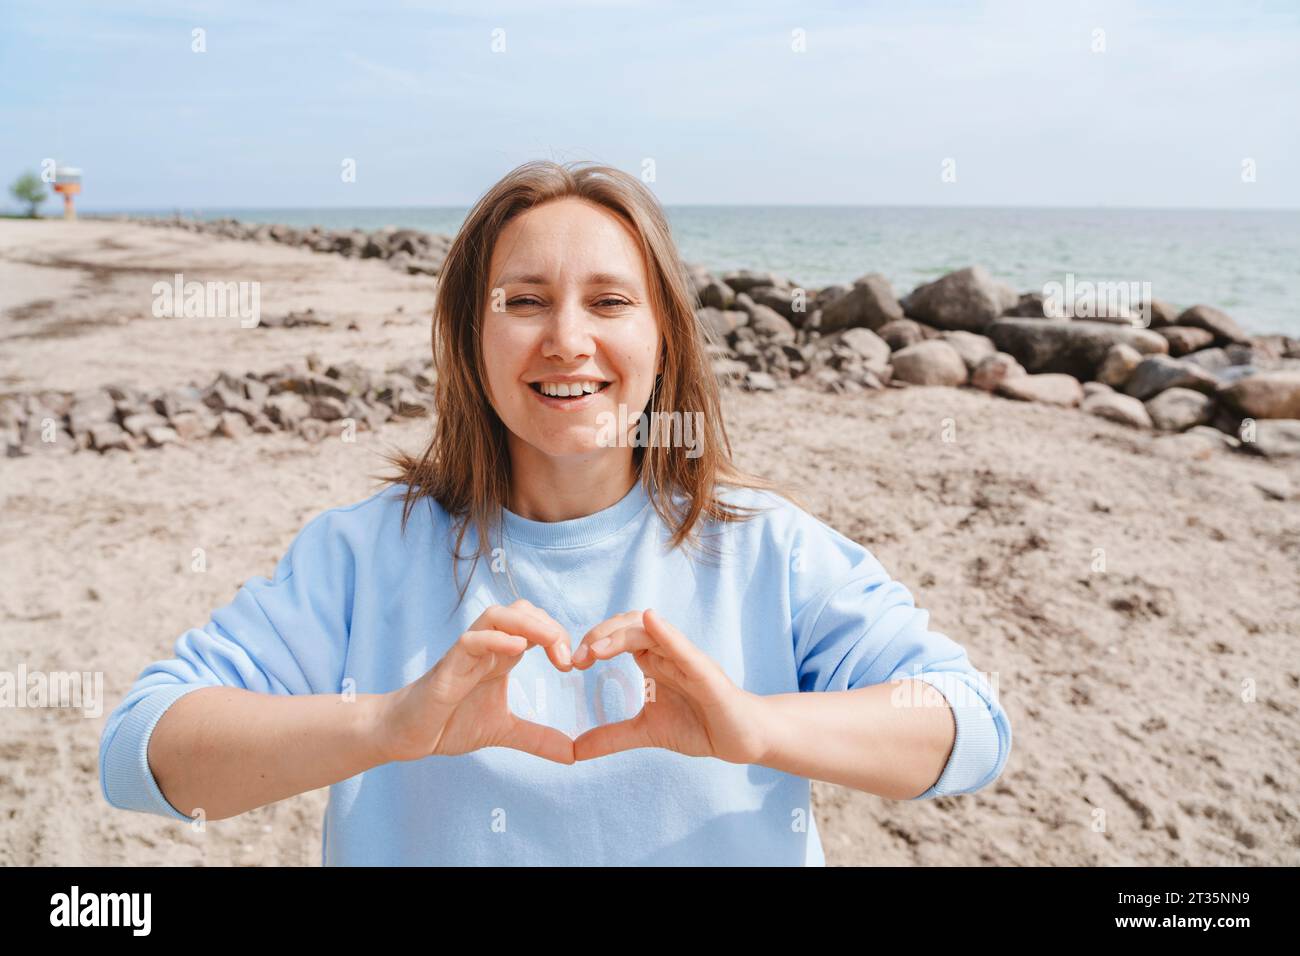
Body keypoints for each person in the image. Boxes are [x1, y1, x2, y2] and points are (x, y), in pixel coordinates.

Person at [99, 160, 1012, 865]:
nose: (567, 339)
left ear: (664, 339)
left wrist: (758, 725)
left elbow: (966, 727)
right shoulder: (365, 551)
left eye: (610, 301)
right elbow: (143, 752)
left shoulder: (767, 548)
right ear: (471, 334)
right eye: (524, 301)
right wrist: (388, 726)